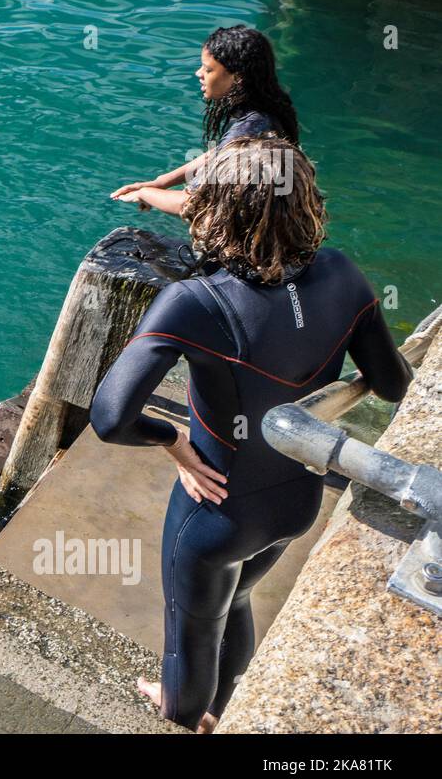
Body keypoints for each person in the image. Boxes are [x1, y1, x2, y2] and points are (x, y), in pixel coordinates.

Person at [90, 138, 412, 733]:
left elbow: (110, 418)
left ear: (213, 210)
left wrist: (173, 442)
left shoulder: (192, 302)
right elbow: (393, 384)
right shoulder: (342, 272)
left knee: (189, 639)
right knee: (237, 601)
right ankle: (220, 711)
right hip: (297, 501)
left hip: (213, 514)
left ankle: (184, 717)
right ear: (306, 203)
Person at [111, 25, 300, 216]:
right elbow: (219, 155)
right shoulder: (264, 112)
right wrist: (161, 183)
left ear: (238, 77)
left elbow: (193, 205)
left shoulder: (248, 129)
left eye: (208, 69)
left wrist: (146, 193)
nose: (199, 74)